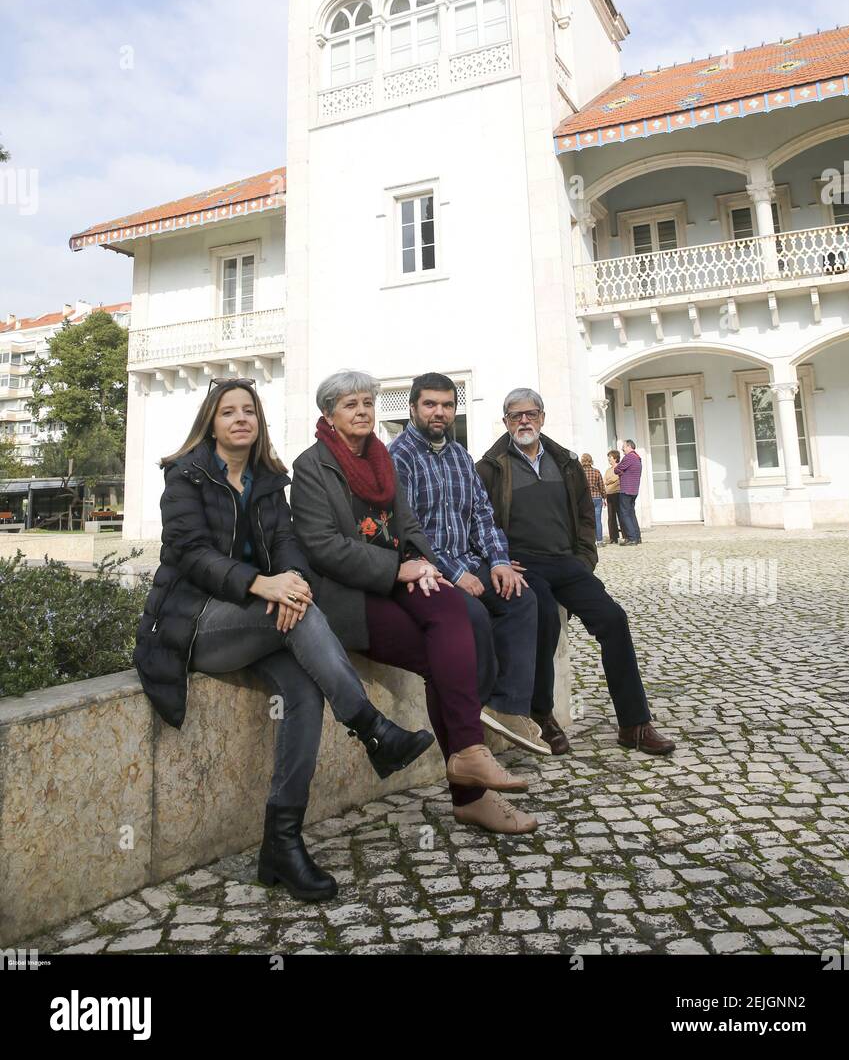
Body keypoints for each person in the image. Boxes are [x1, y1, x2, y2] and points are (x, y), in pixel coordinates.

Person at [133, 378, 436, 903]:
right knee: (305, 609)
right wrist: (260, 583)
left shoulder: (269, 479)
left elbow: (287, 543)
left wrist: (290, 578)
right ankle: (371, 729)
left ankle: (282, 844)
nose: (240, 419)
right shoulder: (185, 477)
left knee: (302, 691)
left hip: (260, 617)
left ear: (259, 420)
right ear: (212, 422)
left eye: (248, 411)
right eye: (228, 412)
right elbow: (190, 554)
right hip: (195, 625)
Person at [289, 371, 537, 836]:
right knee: (440, 658)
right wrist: (396, 569)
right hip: (352, 593)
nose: (362, 411)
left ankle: (468, 757)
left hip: (401, 574)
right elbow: (323, 546)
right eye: (350, 405)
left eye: (367, 402)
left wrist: (422, 562)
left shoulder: (382, 457)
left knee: (452, 609)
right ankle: (471, 792)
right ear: (328, 415)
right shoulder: (312, 466)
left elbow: (409, 523)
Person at [476, 389, 676, 758]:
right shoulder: (490, 467)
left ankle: (634, 724)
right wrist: (497, 561)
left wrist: (584, 559)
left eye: (532, 413)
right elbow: (480, 520)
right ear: (505, 421)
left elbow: (587, 516)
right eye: (516, 415)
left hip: (567, 563)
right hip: (522, 564)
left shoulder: (565, 461)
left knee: (613, 619)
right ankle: (541, 714)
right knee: (544, 619)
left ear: (542, 417)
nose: (525, 421)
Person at [389, 373, 551, 759]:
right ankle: (467, 727)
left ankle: (509, 708)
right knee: (473, 614)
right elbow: (407, 529)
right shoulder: (399, 458)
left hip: (469, 560)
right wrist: (454, 573)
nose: (439, 412)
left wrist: (498, 562)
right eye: (430, 404)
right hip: (427, 568)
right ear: (413, 408)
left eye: (447, 405)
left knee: (521, 597)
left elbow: (482, 514)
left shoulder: (461, 456)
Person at [616, 439, 643, 544]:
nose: (622, 449)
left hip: (626, 490)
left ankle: (632, 538)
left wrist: (620, 471)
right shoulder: (637, 458)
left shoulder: (629, 457)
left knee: (625, 514)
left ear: (629, 446)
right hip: (634, 490)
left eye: (624, 447)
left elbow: (616, 469)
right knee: (631, 513)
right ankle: (637, 537)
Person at [580, 452, 606, 544]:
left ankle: (589, 540)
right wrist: (604, 497)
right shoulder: (596, 471)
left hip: (585, 499)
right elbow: (601, 486)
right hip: (597, 498)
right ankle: (599, 540)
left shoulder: (580, 472)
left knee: (586, 520)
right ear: (591, 461)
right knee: (597, 520)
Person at [603, 450, 621, 544]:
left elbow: (617, 478)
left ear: (615, 458)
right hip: (609, 494)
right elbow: (605, 481)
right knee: (611, 516)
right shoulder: (608, 470)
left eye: (610, 457)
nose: (609, 459)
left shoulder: (619, 467)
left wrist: (610, 480)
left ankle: (625, 535)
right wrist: (610, 480)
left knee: (620, 515)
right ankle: (613, 537)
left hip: (617, 493)